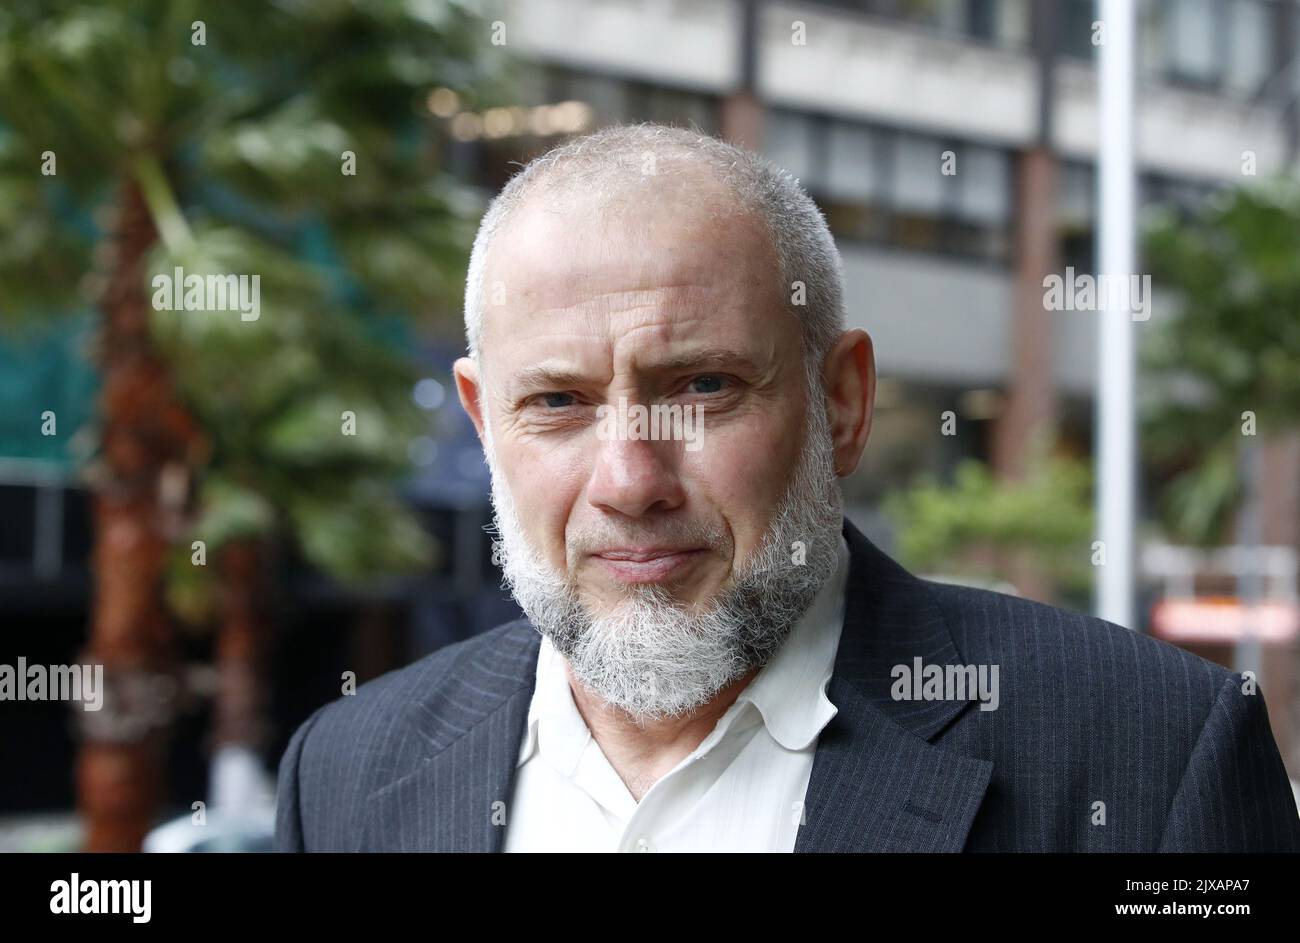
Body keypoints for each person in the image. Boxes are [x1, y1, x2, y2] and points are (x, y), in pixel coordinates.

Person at [275, 124, 1300, 852]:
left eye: (703, 387)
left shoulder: (1150, 753)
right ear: (480, 418)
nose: (630, 481)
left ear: (842, 402)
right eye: (556, 401)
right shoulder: (345, 773)